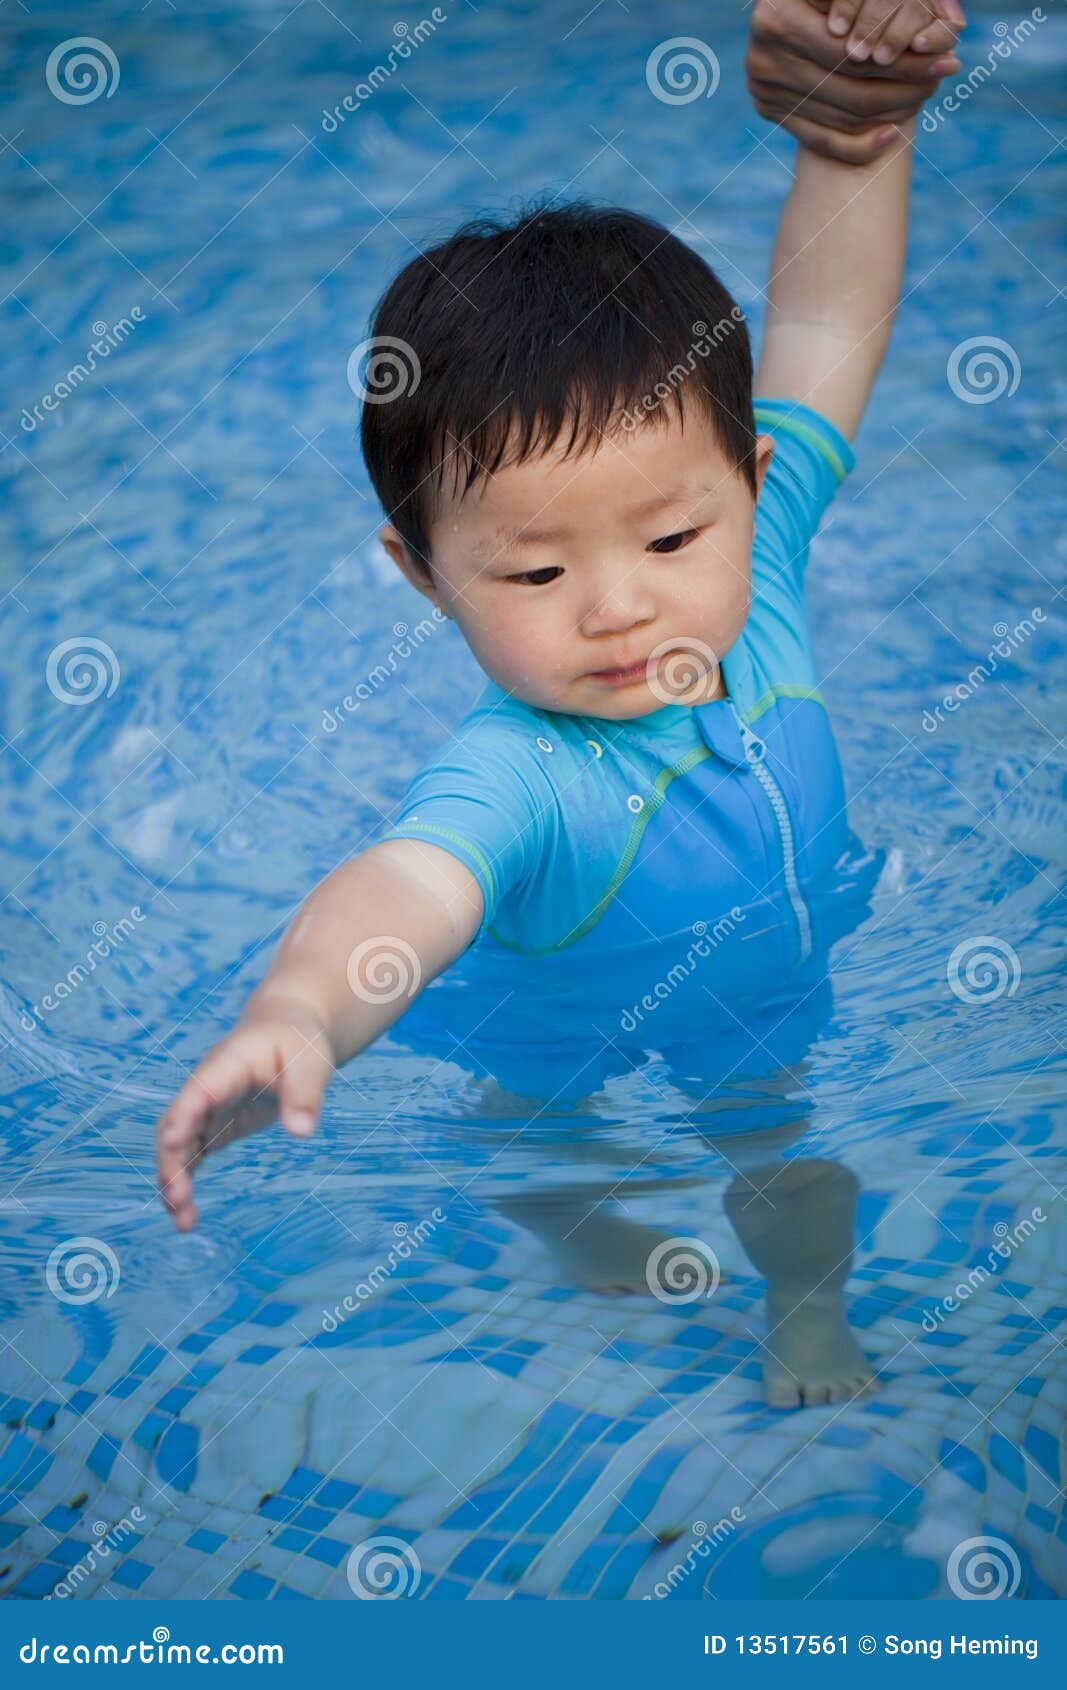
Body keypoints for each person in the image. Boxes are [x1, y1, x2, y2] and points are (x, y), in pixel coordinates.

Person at [156, 3, 964, 1406]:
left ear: (754, 485)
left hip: (759, 1001)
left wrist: (858, 137)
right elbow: (404, 887)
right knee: (530, 1144)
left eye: (670, 539)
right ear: (423, 578)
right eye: (535, 569)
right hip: (548, 1025)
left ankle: (804, 1311)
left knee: (784, 1161)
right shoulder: (520, 769)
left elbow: (831, 319)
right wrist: (299, 1009)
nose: (617, 604)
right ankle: (572, 1224)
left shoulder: (764, 562)